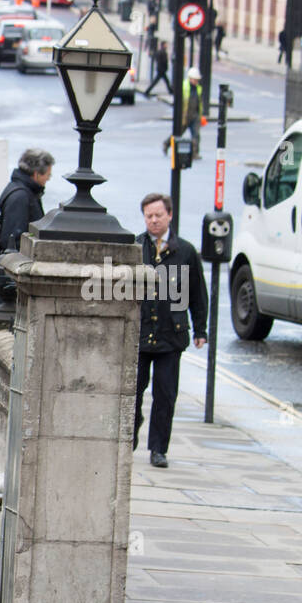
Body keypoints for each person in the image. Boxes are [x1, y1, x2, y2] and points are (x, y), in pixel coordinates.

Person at [134, 193, 208, 469]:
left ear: (170, 216)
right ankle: (129, 439)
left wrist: (201, 329)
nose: (153, 220)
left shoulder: (186, 251)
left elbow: (198, 293)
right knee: (133, 393)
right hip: (140, 335)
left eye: (158, 215)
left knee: (165, 396)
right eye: (148, 216)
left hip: (170, 335)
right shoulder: (135, 246)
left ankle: (158, 449)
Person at [0, 148, 53, 252]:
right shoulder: (21, 197)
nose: (48, 178)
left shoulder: (18, 188)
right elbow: (12, 240)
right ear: (36, 173)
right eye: (48, 174)